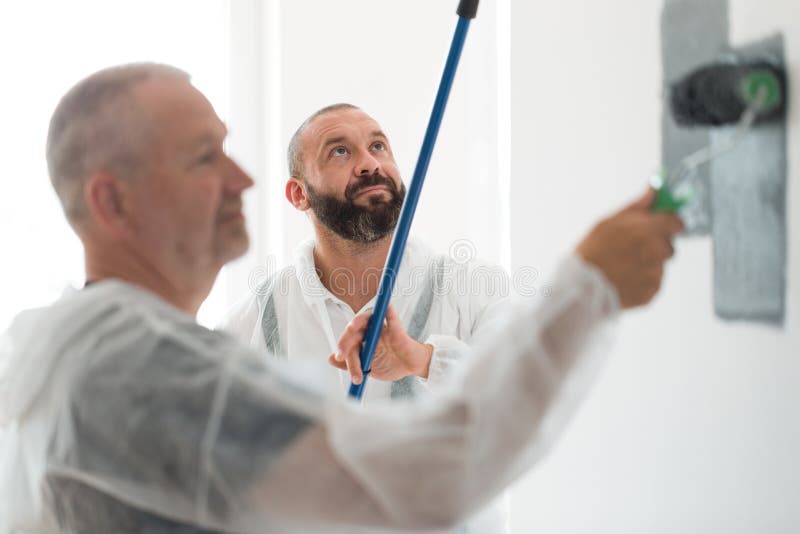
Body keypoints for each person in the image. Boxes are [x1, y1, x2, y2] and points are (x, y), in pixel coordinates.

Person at [0, 63, 682, 533]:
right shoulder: (145, 371)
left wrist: (422, 358)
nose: (243, 179)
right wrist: (589, 285)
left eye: (379, 144)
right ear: (112, 202)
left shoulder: (75, 351)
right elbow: (435, 476)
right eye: (205, 158)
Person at [221, 103, 513, 532]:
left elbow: (518, 399)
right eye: (339, 151)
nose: (369, 164)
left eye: (378, 146)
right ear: (299, 194)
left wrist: (423, 359)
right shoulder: (251, 323)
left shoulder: (477, 289)